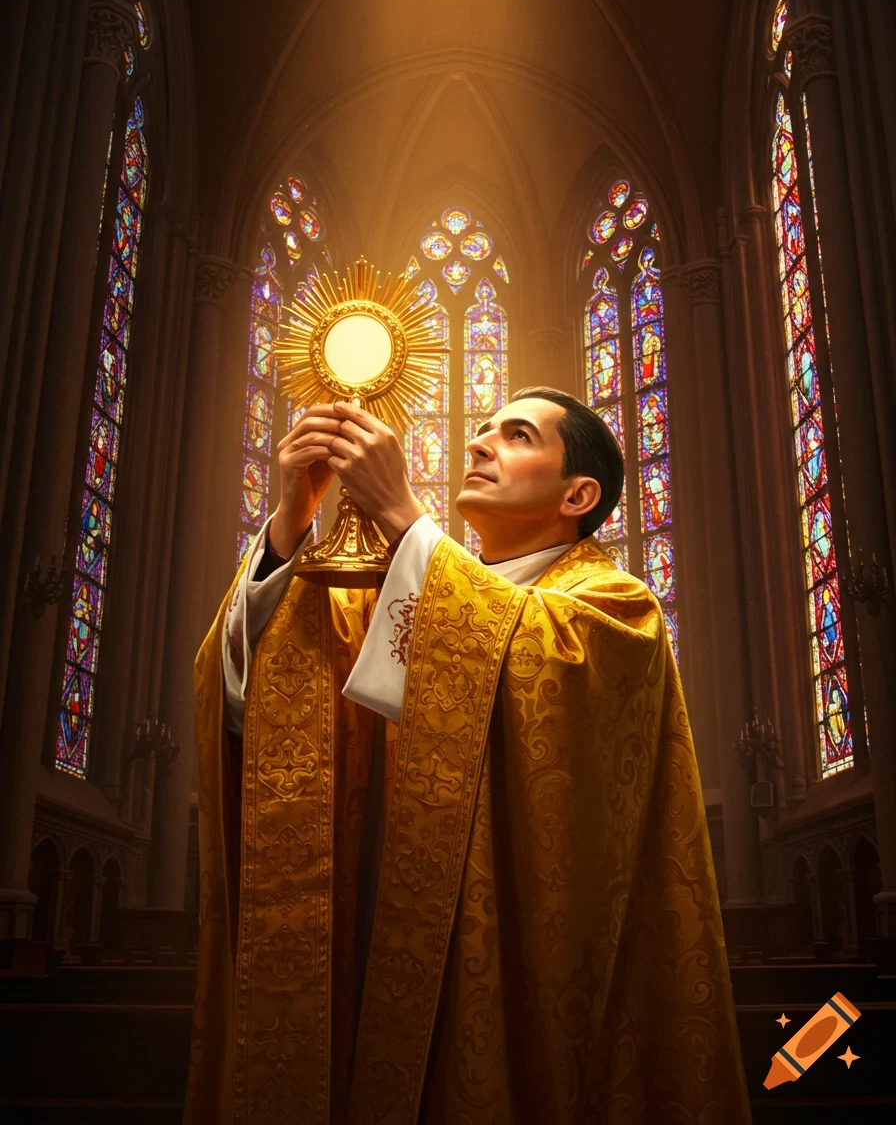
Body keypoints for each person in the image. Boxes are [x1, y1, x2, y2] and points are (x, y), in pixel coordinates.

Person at [185, 386, 750, 1125]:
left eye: (515, 436)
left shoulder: (616, 608)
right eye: (481, 430)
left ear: (579, 493)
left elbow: (549, 719)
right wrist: (292, 524)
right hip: (368, 955)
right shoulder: (394, 597)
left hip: (507, 979)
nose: (480, 443)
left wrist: (401, 515)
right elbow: (248, 710)